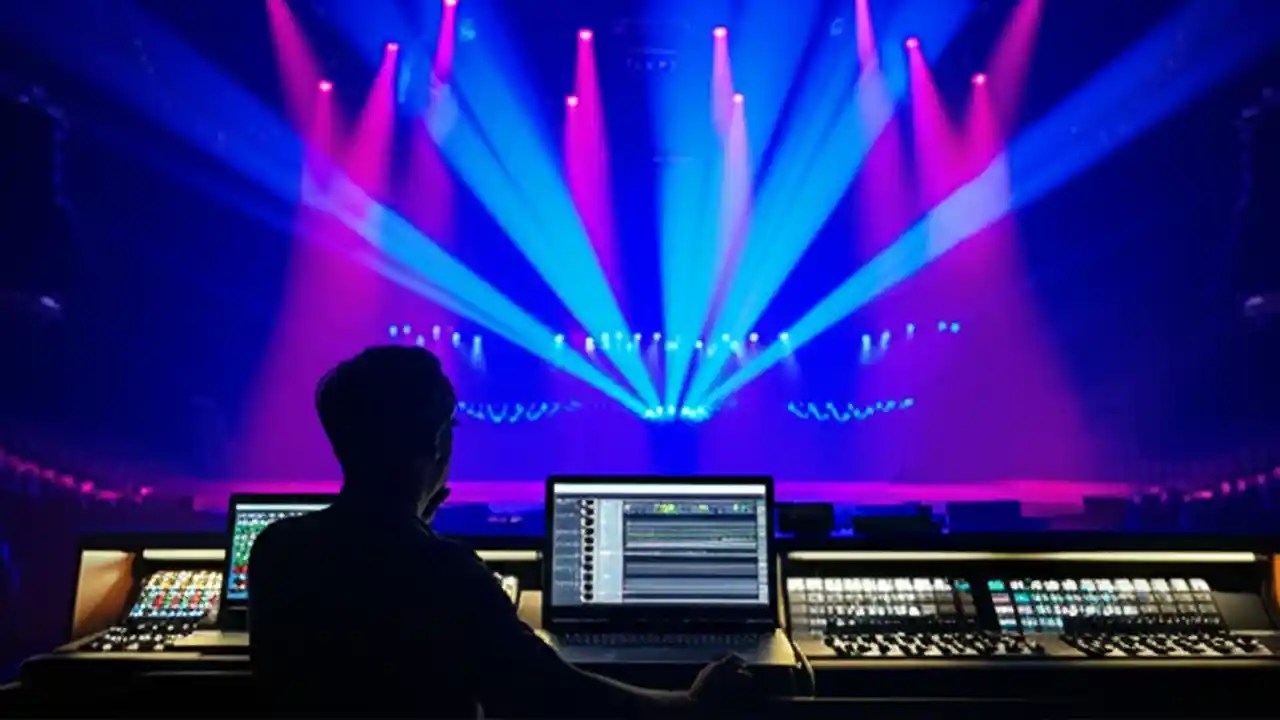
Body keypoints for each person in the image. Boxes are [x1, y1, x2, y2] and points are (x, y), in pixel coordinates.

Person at [249, 346, 757, 718]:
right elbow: (551, 692)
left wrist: (414, 520)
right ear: (435, 443)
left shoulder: (277, 550)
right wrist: (689, 705)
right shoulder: (444, 573)